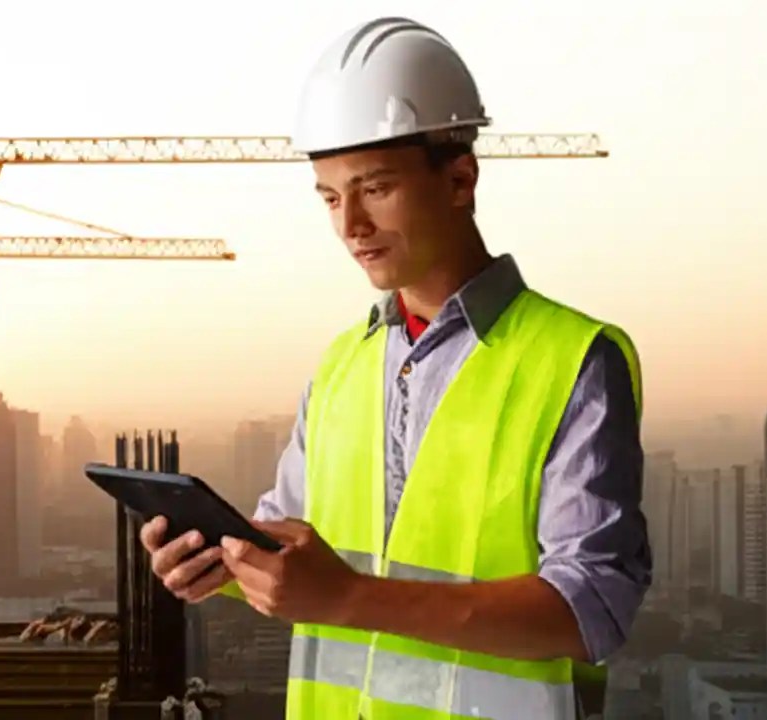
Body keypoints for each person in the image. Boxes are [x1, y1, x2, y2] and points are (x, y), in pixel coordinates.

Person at [139, 16, 650, 720]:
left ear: (461, 180)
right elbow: (286, 539)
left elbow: (592, 607)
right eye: (328, 196)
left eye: (374, 188)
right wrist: (217, 564)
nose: (350, 224)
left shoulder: (572, 360)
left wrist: (347, 598)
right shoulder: (342, 365)